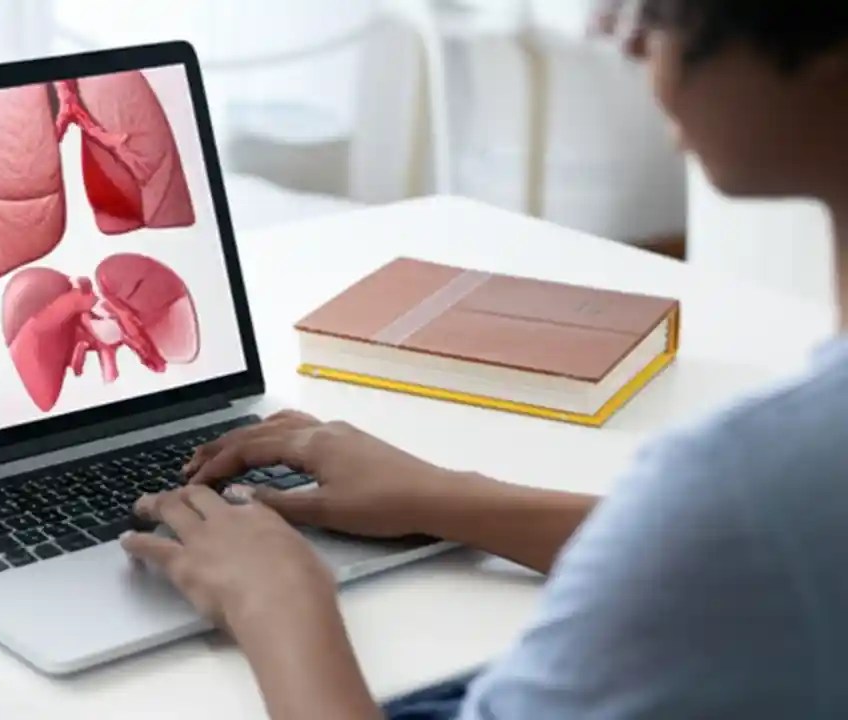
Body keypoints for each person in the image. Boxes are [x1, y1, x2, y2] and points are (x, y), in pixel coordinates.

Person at [118, 1, 848, 718]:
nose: (623, 38)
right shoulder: (769, 489)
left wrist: (274, 599)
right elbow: (735, 557)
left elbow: (738, 528)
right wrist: (445, 495)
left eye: (669, 9)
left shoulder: (743, 483)